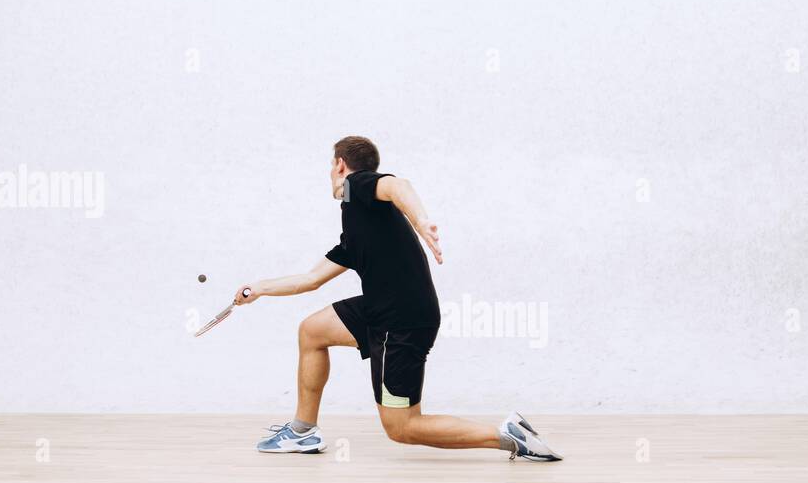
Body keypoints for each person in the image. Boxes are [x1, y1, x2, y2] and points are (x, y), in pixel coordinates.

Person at [235, 136, 562, 462]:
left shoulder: (357, 187)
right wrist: (259, 288)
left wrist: (421, 221)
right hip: (381, 309)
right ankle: (302, 431)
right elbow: (310, 279)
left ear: (339, 164)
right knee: (312, 330)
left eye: (330, 167)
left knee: (402, 427)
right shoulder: (357, 227)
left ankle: (508, 437)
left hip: (400, 321)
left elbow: (397, 185)